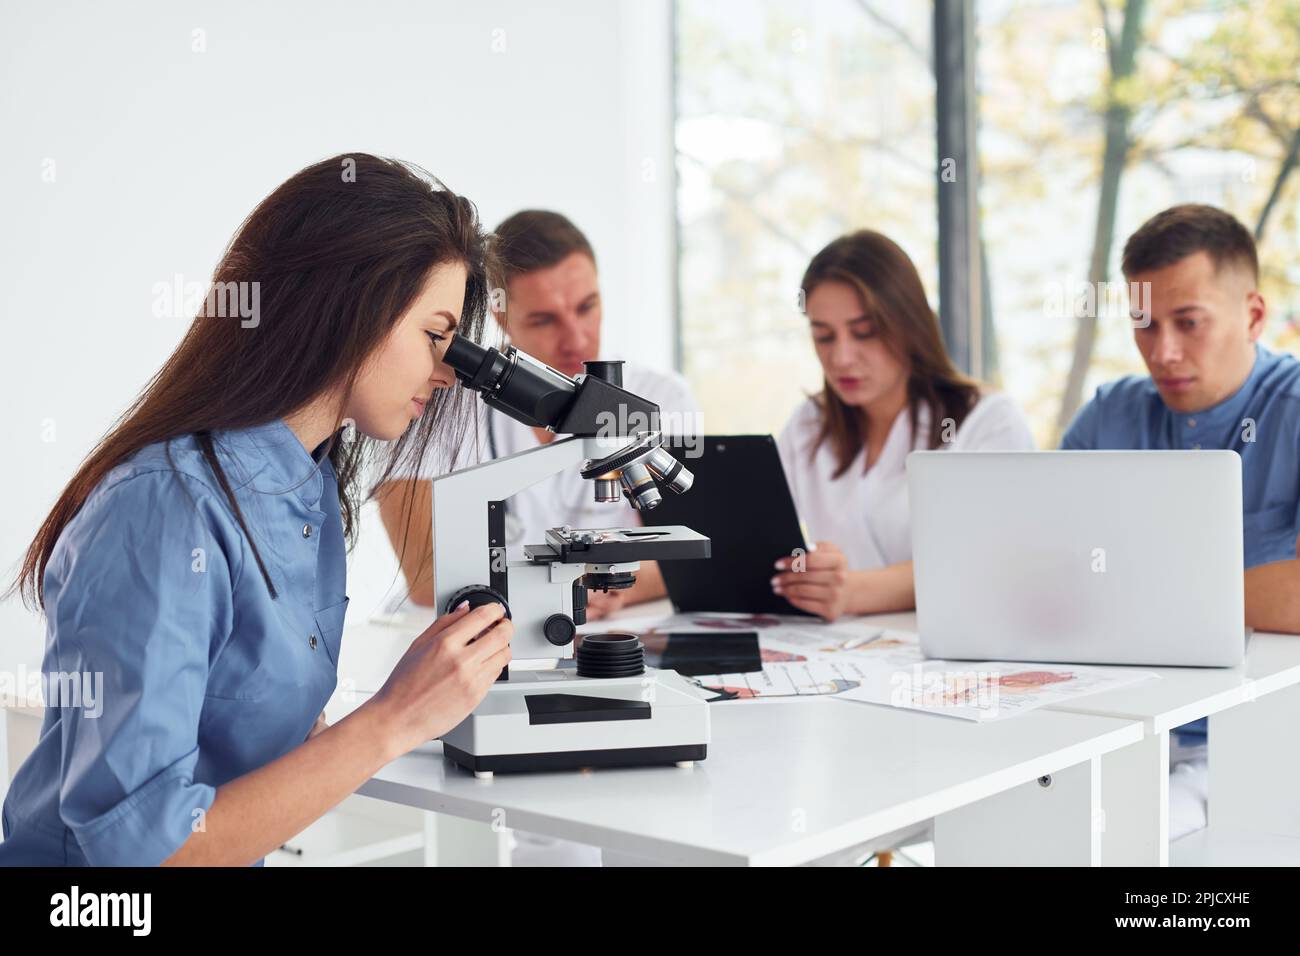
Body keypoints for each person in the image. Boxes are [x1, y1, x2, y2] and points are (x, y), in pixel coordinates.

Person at [0, 154, 513, 866]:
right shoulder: (164, 507)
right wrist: (394, 719)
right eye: (435, 334)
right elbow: (140, 852)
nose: (447, 370)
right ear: (350, 308)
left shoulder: (310, 490)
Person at [1060, 203, 1300, 838]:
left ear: (1253, 315)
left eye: (1188, 323)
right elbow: (1043, 565)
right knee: (1001, 821)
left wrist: (1137, 590)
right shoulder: (1110, 415)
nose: (1162, 352)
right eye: (1143, 324)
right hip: (1107, 723)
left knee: (1111, 835)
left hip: (1256, 741)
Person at [379, 209, 700, 621]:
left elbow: (693, 547)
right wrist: (567, 584)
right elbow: (427, 577)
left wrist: (599, 585)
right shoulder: (432, 399)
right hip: (460, 632)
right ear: (500, 316)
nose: (576, 339)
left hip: (611, 624)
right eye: (544, 319)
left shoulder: (662, 396)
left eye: (587, 307)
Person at [772, 230, 1035, 622]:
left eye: (865, 332)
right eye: (823, 336)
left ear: (910, 324)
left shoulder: (987, 422)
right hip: (834, 651)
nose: (841, 357)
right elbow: (757, 543)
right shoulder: (808, 425)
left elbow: (993, 562)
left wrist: (850, 591)